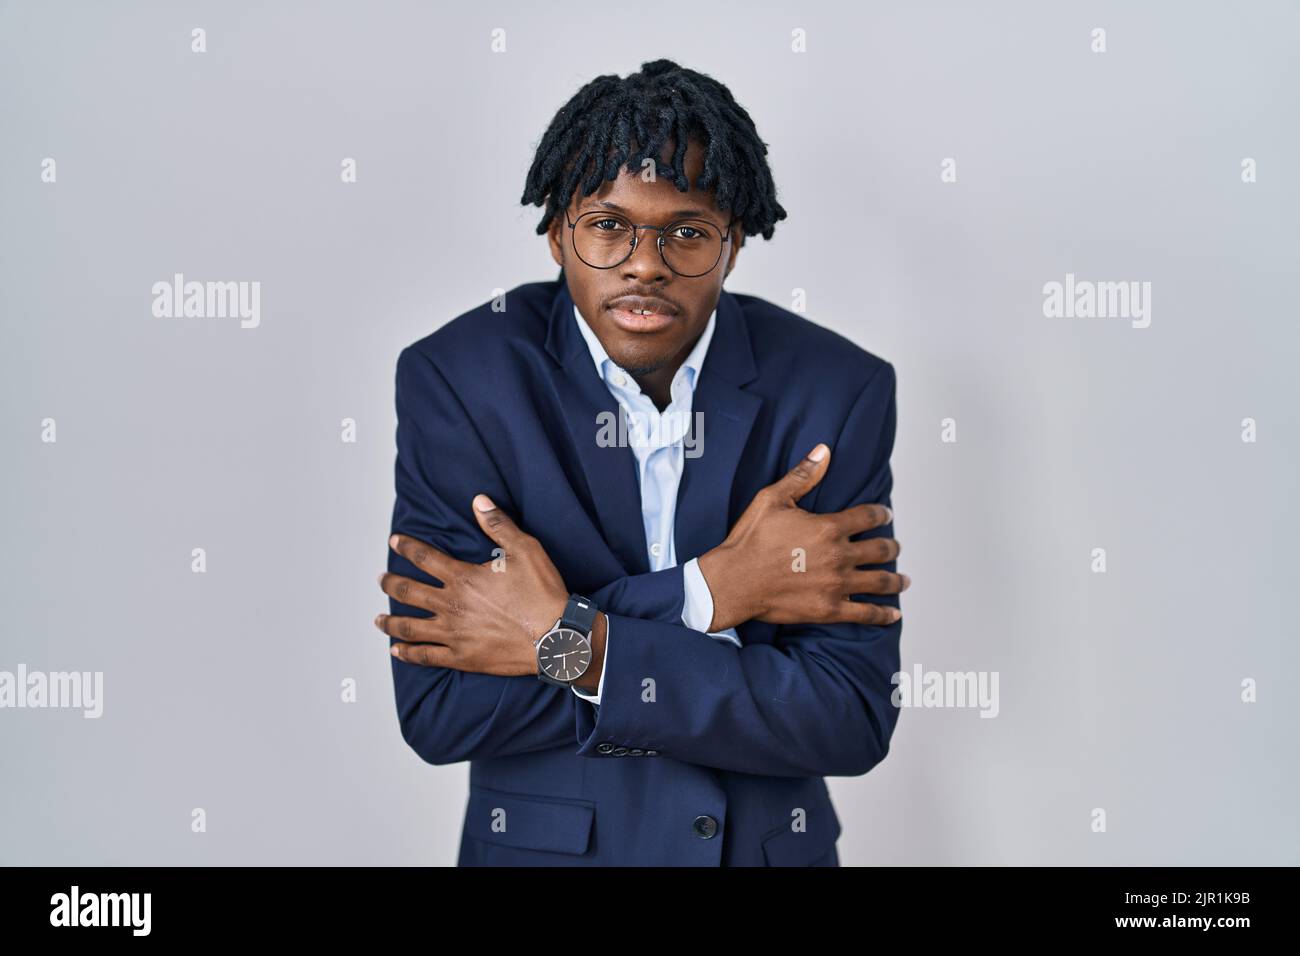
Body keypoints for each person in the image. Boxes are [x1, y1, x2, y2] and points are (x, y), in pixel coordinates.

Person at [374, 58, 909, 866]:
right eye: (607, 225)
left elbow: (848, 716)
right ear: (557, 232)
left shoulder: (836, 391)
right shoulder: (461, 381)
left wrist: (563, 642)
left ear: (735, 245)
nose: (645, 262)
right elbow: (445, 706)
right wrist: (711, 596)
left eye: (687, 232)